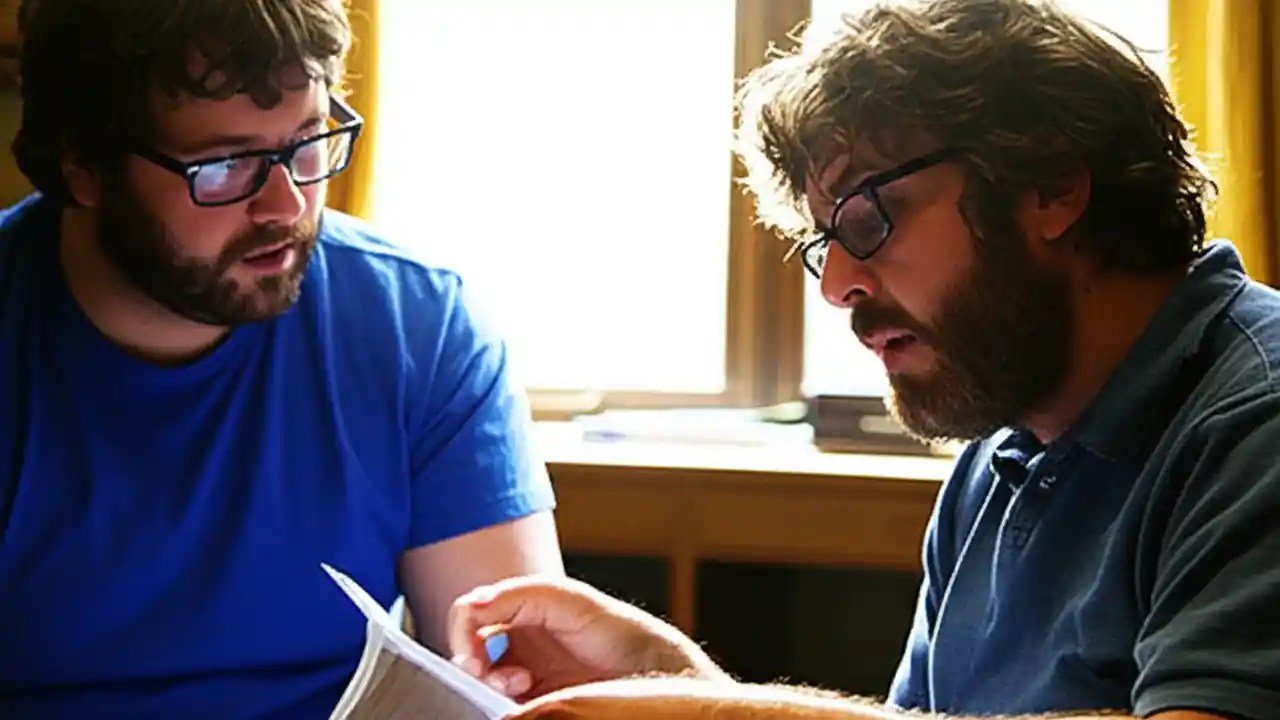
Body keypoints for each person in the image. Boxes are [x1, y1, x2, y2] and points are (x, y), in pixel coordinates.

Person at [447, 0, 1280, 718]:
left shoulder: (1256, 415)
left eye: (869, 219)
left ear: (1053, 185)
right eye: (824, 243)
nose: (838, 284)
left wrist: (714, 716)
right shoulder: (1003, 448)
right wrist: (664, 680)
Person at [0, 0, 563, 717]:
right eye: (226, 165)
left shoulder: (418, 326)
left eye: (306, 143)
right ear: (82, 166)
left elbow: (519, 684)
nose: (285, 204)